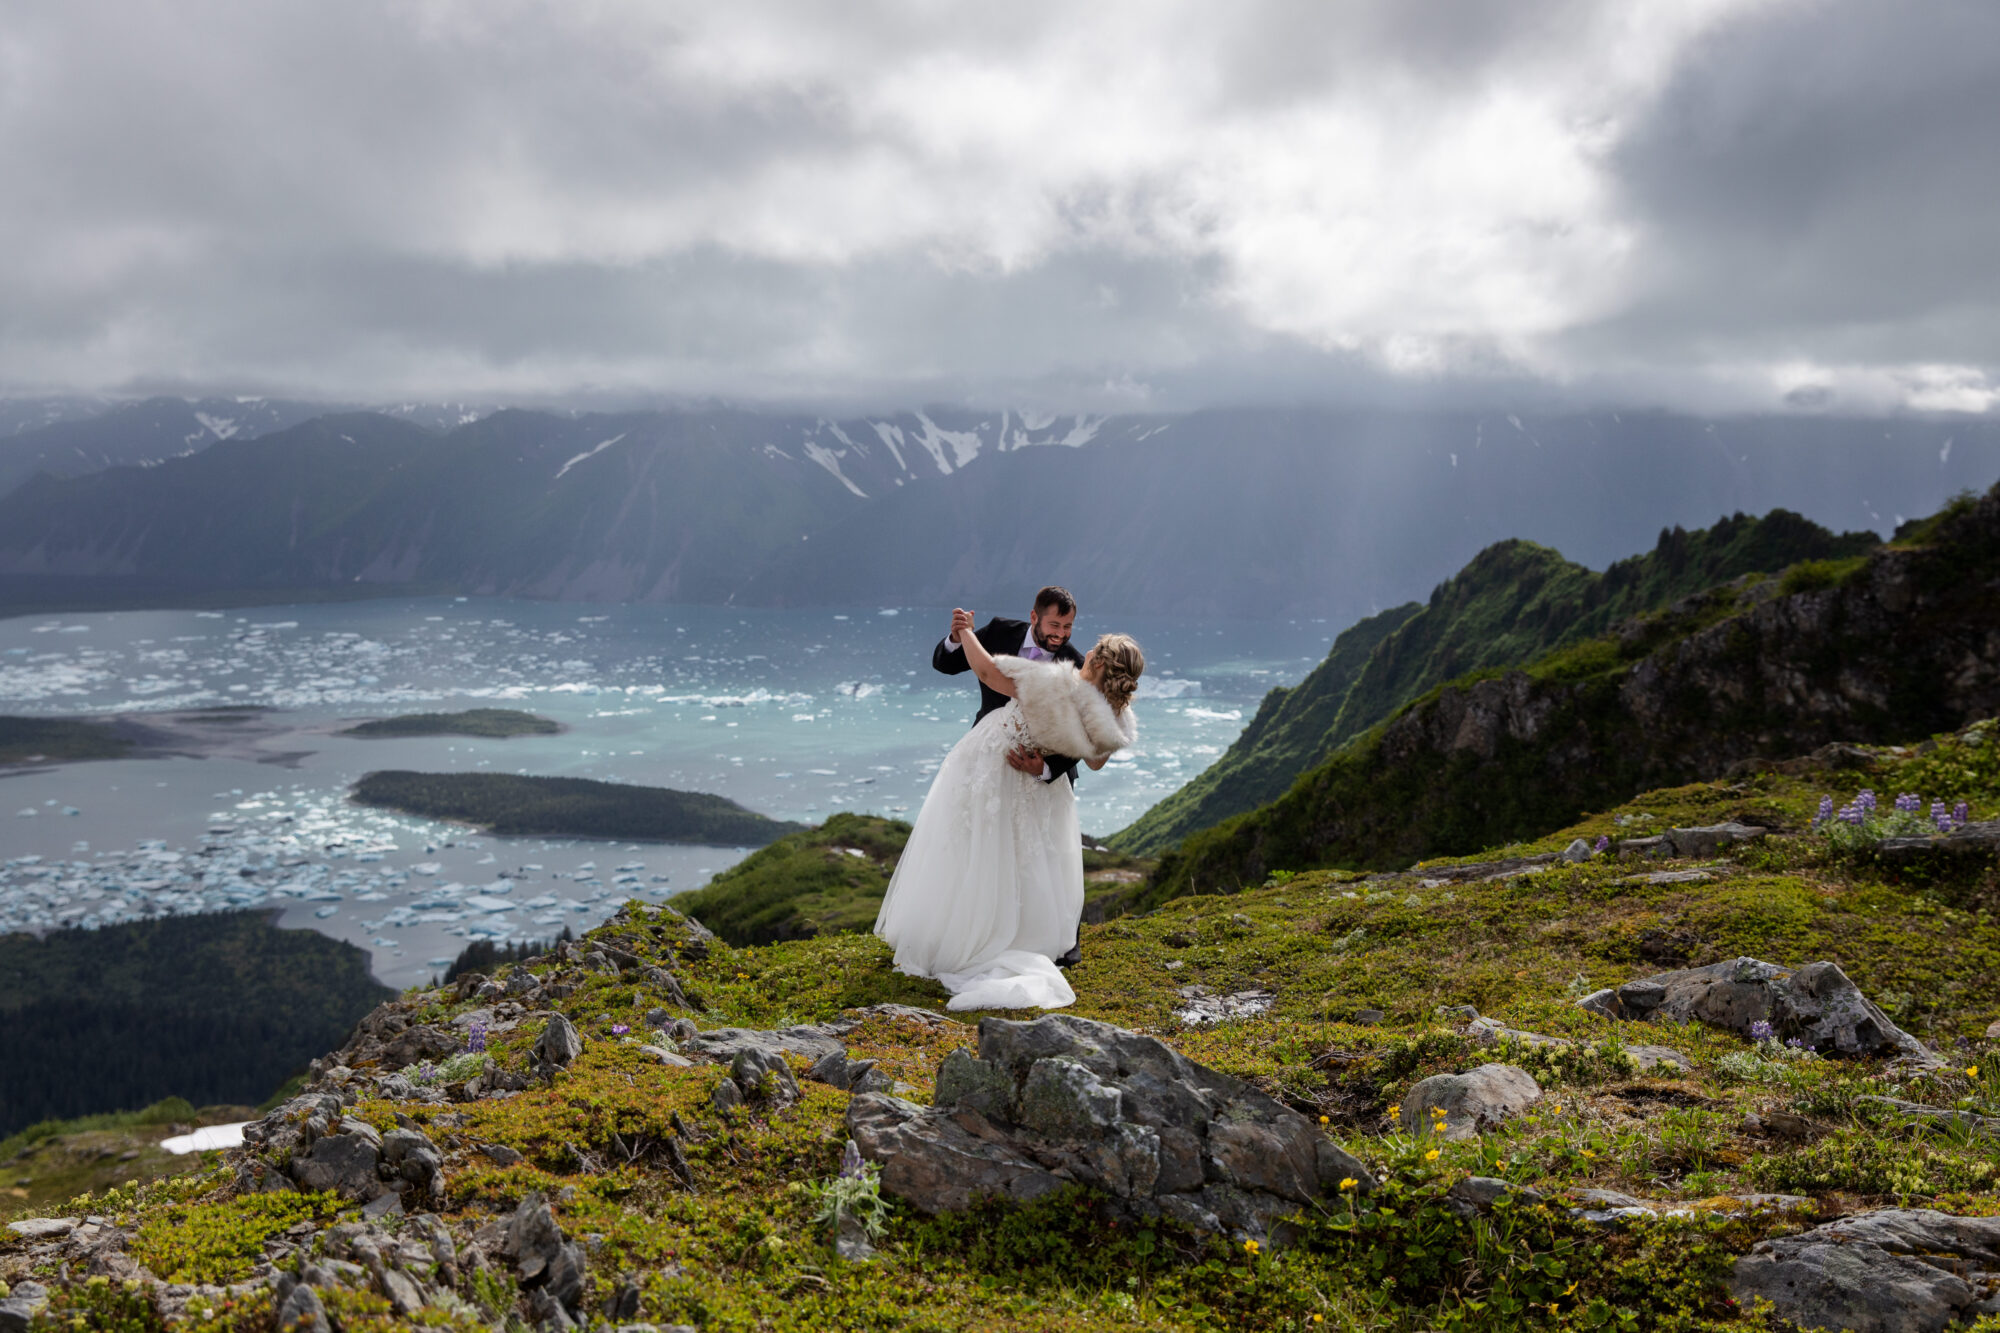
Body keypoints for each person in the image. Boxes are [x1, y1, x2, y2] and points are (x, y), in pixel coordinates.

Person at [875, 608, 1143, 1010]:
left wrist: (965, 632)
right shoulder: (1106, 713)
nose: (1081, 648)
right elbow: (1096, 760)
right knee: (1026, 859)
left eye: (1092, 650)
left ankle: (966, 935)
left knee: (975, 849)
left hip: (995, 765)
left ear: (1099, 662)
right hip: (1038, 790)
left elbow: (987, 674)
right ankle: (1022, 935)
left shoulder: (1055, 683)